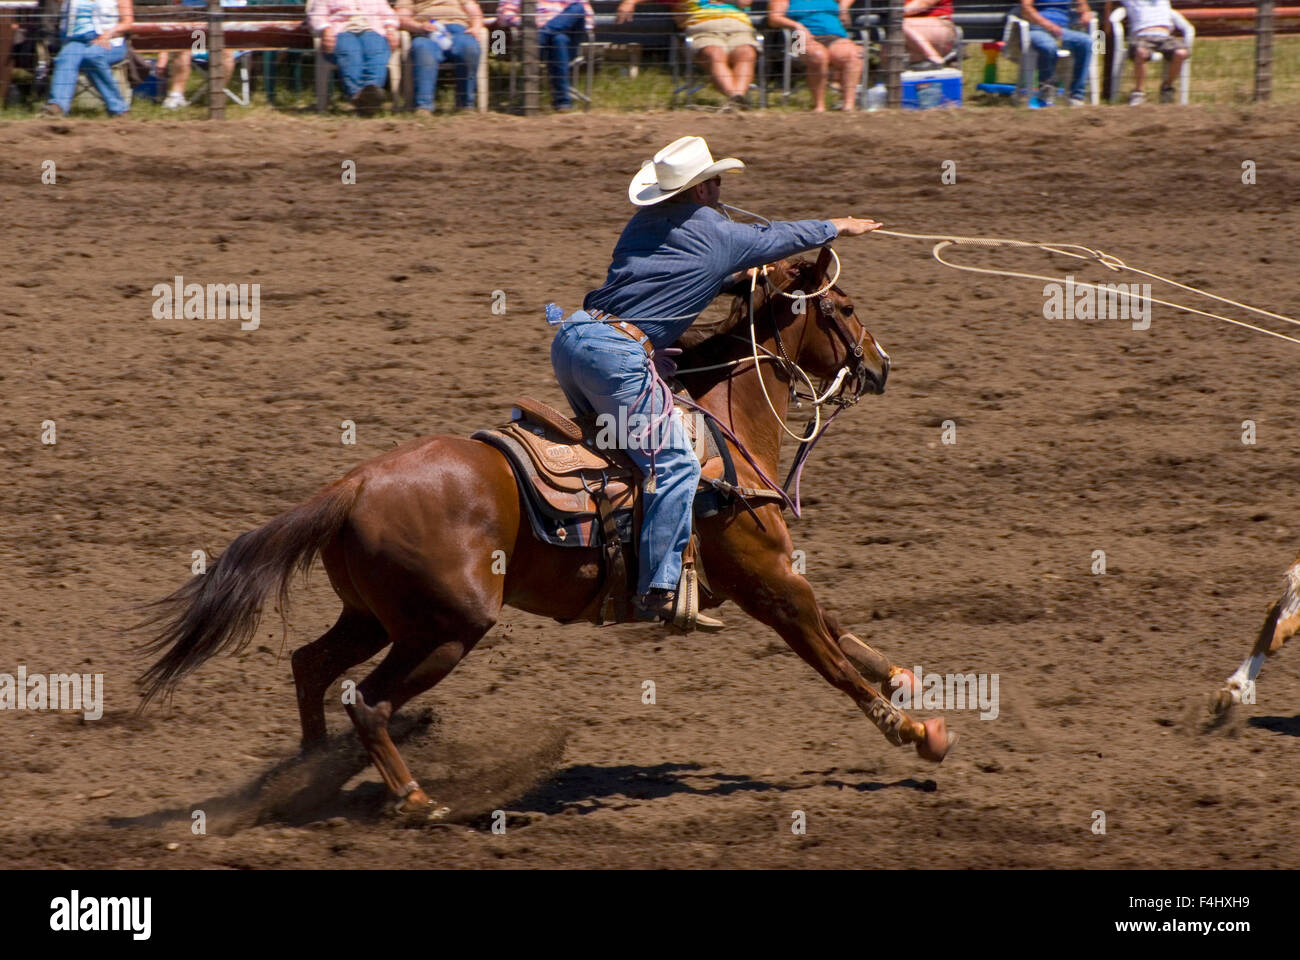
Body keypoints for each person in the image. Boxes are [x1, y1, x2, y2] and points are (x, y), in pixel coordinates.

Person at [550, 136, 881, 631]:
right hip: (617, 356)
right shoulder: (718, 232)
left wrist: (743, 275)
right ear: (700, 189)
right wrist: (840, 226)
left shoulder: (643, 224)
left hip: (574, 340)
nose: (722, 187)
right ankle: (658, 588)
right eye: (715, 180)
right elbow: (780, 237)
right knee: (676, 461)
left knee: (618, 452)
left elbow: (683, 272)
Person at [617, 0, 759, 110]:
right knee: (715, 54)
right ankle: (735, 98)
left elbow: (744, 2)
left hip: (740, 26)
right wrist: (629, 2)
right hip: (703, 27)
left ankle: (737, 98)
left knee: (746, 53)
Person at [496, 0, 595, 111]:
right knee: (558, 39)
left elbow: (588, 19)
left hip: (562, 42)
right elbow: (504, 16)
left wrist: (552, 25)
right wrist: (531, 23)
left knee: (578, 7)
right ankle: (562, 102)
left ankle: (544, 33)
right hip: (532, 42)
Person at [768, 0, 863, 112]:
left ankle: (848, 106)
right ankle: (819, 106)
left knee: (853, 55)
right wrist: (796, 25)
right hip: (798, 35)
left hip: (834, 34)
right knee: (818, 56)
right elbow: (773, 19)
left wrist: (844, 7)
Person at [308, 0, 401, 114]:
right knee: (351, 53)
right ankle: (357, 95)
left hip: (372, 29)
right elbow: (317, 15)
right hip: (341, 31)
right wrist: (326, 30)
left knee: (376, 50)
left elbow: (388, 13)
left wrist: (390, 28)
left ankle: (371, 93)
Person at [43, 0, 133, 117]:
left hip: (110, 41)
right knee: (66, 57)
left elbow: (127, 22)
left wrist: (109, 34)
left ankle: (119, 109)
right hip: (76, 41)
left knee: (92, 56)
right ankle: (57, 107)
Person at [396, 0, 483, 112]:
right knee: (422, 48)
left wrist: (476, 27)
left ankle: (465, 105)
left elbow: (472, 8)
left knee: (469, 47)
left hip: (459, 29)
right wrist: (419, 26)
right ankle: (423, 107)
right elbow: (402, 18)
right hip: (426, 31)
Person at [1019, 0, 1094, 107]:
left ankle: (1077, 96)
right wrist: (1048, 25)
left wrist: (1085, 13)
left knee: (1086, 42)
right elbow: (1026, 8)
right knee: (1049, 46)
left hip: (1062, 31)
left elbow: (1082, 4)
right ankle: (1046, 92)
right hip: (1037, 29)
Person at [1113, 0, 1188, 104]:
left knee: (1181, 53)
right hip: (1142, 36)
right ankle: (1138, 92)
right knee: (1140, 52)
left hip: (1165, 36)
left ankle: (1167, 87)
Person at [903, 0, 958, 70]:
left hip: (939, 26)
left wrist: (892, 13)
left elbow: (922, 4)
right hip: (906, 34)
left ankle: (934, 58)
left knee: (897, 24)